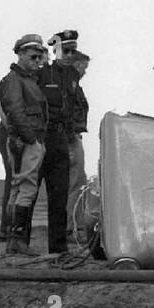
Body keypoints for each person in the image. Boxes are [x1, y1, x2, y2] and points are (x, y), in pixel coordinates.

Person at [0, 34, 48, 255]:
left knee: (19, 188)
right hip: (25, 140)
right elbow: (15, 111)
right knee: (25, 188)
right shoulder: (14, 80)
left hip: (27, 139)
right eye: (33, 56)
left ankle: (14, 239)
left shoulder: (25, 79)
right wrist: (31, 139)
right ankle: (16, 238)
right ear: (20, 54)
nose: (37, 60)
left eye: (40, 56)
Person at [36, 30, 83, 255]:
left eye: (74, 50)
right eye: (66, 50)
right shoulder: (44, 73)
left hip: (62, 137)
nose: (70, 54)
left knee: (60, 193)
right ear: (55, 50)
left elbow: (72, 106)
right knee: (30, 189)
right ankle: (17, 243)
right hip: (42, 137)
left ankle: (58, 246)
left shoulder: (73, 75)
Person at [68, 50, 91, 215]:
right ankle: (71, 225)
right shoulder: (70, 86)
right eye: (84, 67)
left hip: (72, 135)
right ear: (77, 65)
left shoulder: (72, 85)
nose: (85, 71)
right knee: (77, 181)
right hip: (71, 137)